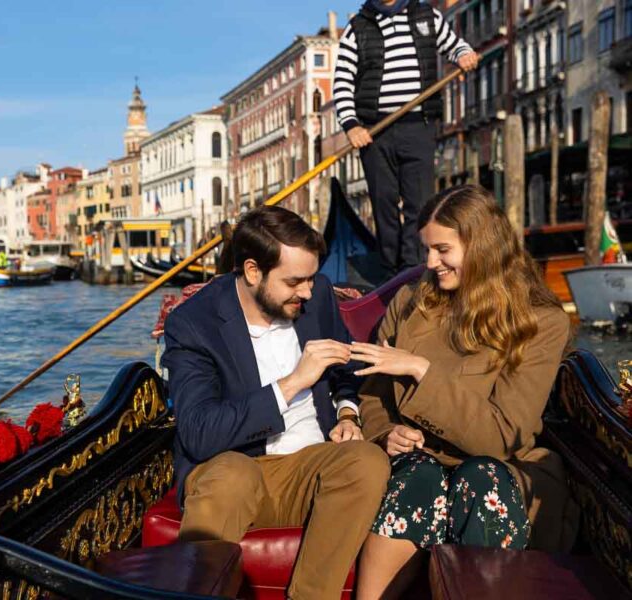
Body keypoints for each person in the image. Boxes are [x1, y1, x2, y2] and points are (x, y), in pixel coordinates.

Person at [350, 185, 573, 598]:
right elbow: (374, 395)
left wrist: (420, 369)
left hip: (500, 466)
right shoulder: (410, 302)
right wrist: (386, 434)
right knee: (419, 476)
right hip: (418, 463)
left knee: (481, 477)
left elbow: (502, 437)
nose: (431, 263)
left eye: (443, 250)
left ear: (482, 245)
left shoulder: (540, 323)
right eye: (427, 250)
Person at [161, 205, 390, 599]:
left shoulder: (315, 298)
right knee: (235, 473)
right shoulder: (194, 324)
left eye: (311, 278)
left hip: (307, 467)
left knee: (367, 460)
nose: (307, 291)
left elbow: (344, 371)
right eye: (294, 281)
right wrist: (293, 382)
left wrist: (348, 413)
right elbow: (199, 434)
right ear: (253, 272)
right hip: (231, 465)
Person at [333, 0, 479, 278]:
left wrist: (464, 54)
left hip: (417, 126)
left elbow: (454, 45)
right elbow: (342, 80)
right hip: (374, 132)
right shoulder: (358, 28)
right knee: (383, 204)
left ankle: (415, 269)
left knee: (421, 203)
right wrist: (351, 125)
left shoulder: (426, 16)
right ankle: (390, 271)